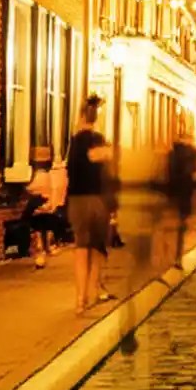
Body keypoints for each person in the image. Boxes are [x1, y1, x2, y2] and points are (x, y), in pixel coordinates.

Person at [67, 95, 115, 314]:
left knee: (81, 248)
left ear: (80, 117)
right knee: (97, 249)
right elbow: (108, 174)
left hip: (77, 200)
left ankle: (80, 300)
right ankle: (94, 290)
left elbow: (71, 171)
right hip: (97, 200)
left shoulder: (74, 142)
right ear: (96, 118)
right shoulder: (100, 141)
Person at [166, 126, 196, 264]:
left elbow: (169, 171)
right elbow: (192, 173)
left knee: (172, 226)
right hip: (186, 190)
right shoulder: (191, 153)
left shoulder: (172, 153)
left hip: (173, 190)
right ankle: (177, 256)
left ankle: (172, 255)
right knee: (181, 222)